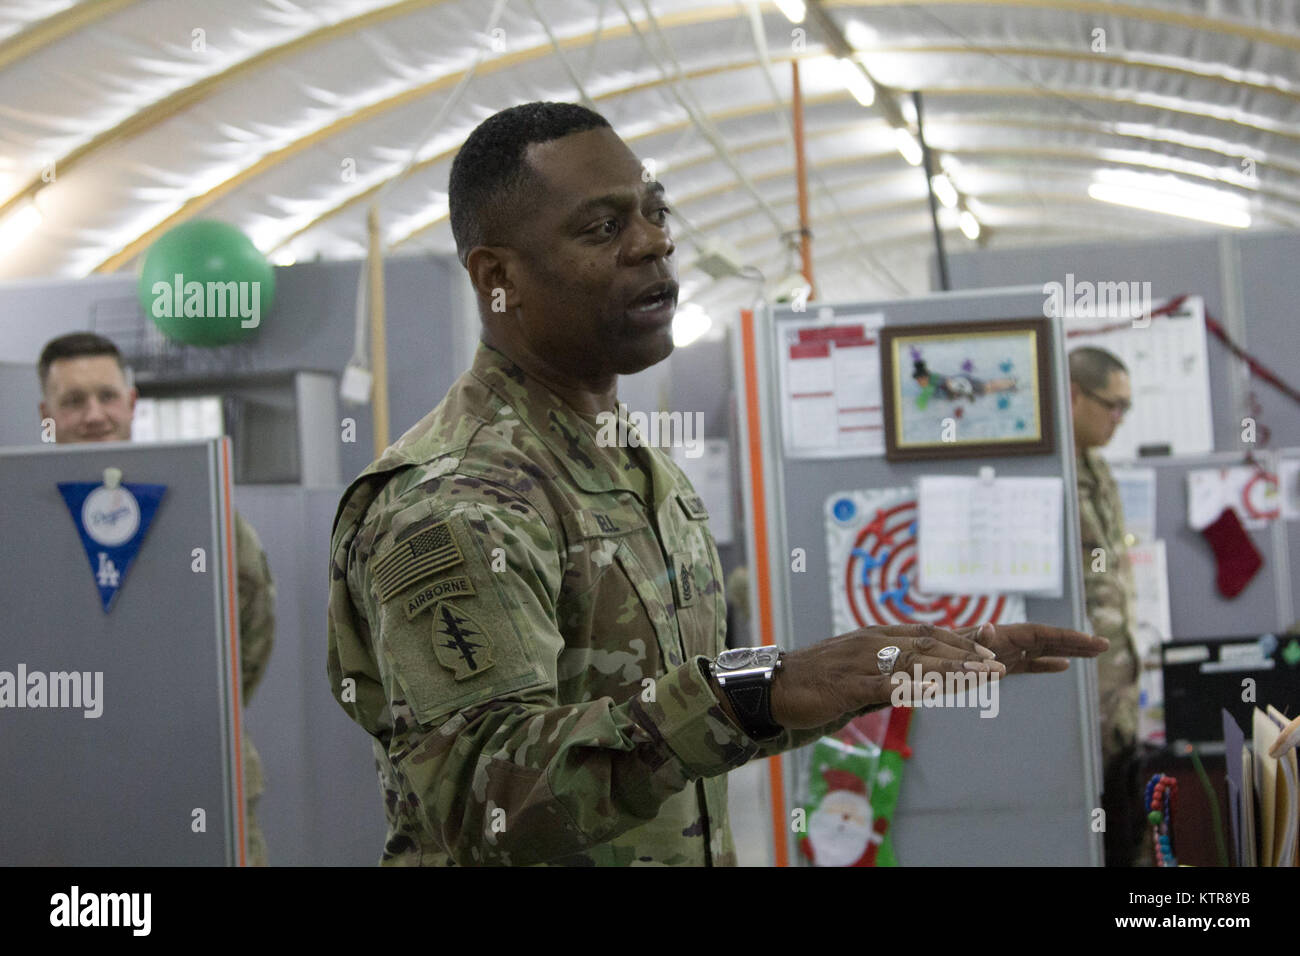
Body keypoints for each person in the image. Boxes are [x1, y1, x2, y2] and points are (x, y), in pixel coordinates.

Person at [326, 101, 1108, 867]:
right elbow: (481, 798)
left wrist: (859, 675)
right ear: (499, 278)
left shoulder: (636, 469)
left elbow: (681, 726)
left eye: (655, 212)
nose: (654, 242)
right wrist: (756, 690)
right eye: (605, 227)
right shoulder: (457, 503)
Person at [37, 332, 275, 866]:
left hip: (196, 770)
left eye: (106, 395)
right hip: (58, 785)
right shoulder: (21, 518)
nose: (94, 414)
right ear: (45, 413)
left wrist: (185, 718)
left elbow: (251, 630)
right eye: (73, 401)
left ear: (131, 402)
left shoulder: (202, 507)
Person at [1068, 345, 1143, 866]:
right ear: (1073, 395)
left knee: (1125, 830)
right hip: (1078, 698)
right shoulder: (1051, 475)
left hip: (1116, 693)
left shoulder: (1098, 470)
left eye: (1126, 408)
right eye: (1111, 405)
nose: (1118, 419)